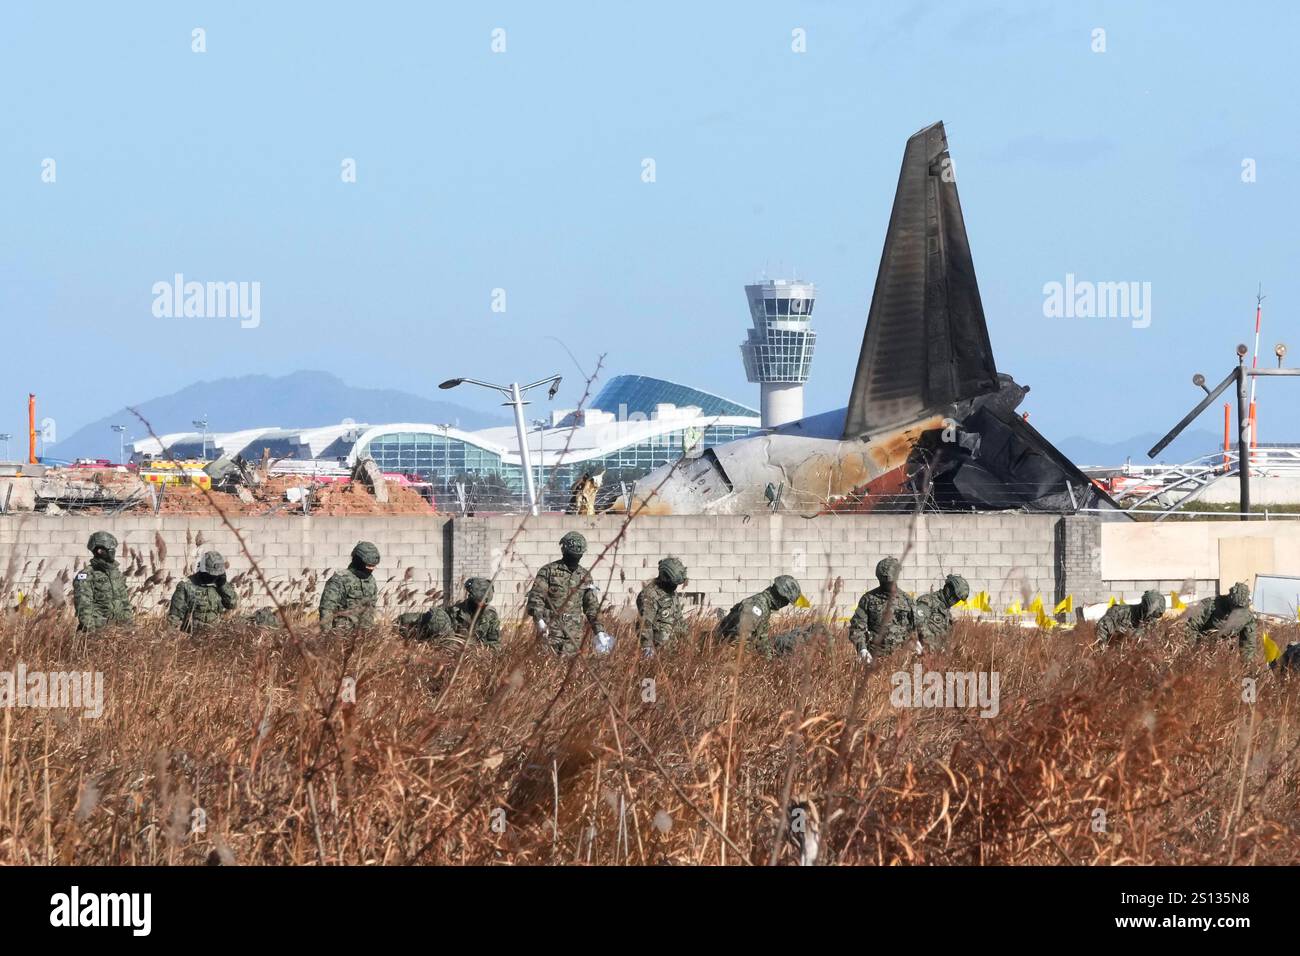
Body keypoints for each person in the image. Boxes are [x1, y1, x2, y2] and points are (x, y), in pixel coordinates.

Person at [527, 532, 607, 655]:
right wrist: (539, 621)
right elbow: (536, 597)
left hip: (573, 635)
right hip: (550, 632)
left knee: (570, 671)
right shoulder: (548, 571)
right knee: (547, 668)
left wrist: (600, 631)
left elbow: (592, 606)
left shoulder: (584, 576)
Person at [847, 557, 915, 662]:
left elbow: (920, 627)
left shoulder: (907, 601)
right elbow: (857, 627)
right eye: (883, 582)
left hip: (901, 660)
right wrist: (862, 649)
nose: (886, 585)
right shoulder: (868, 599)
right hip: (874, 660)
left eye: (889, 582)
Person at [718, 575, 803, 659]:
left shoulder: (765, 607)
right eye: (786, 601)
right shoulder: (756, 606)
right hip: (728, 656)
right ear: (780, 596)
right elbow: (738, 640)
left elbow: (762, 640)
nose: (785, 604)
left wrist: (768, 660)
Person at [72, 531, 133, 632]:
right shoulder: (86, 575)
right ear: (99, 551)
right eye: (110, 549)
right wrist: (92, 633)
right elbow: (84, 609)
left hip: (120, 632)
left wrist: (129, 625)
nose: (113, 551)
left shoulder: (115, 573)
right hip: (99, 632)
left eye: (113, 549)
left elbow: (125, 602)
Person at [167, 550, 238, 632]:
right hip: (191, 638)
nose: (213, 578)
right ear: (202, 570)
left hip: (215, 636)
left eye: (216, 575)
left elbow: (232, 604)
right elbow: (174, 617)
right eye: (211, 575)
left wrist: (223, 585)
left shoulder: (220, 584)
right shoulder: (186, 586)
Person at [1184, 582, 1258, 658]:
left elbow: (1248, 645)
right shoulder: (1210, 605)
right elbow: (1191, 627)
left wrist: (1247, 666)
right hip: (1204, 650)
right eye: (1235, 608)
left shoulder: (1247, 616)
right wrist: (1192, 651)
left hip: (1225, 654)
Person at [320, 541, 381, 631]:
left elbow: (371, 609)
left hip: (366, 637)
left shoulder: (371, 580)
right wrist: (327, 637)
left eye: (373, 566)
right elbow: (326, 609)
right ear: (358, 561)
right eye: (369, 566)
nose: (371, 569)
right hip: (342, 638)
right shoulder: (340, 579)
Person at [637, 557, 688, 657]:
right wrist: (647, 648)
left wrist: (689, 642)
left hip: (674, 650)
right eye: (674, 584)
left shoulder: (671, 593)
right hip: (658, 654)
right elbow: (644, 624)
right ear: (665, 578)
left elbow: (679, 619)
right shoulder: (649, 595)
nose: (675, 587)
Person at [913, 573, 969, 652]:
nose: (954, 601)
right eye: (954, 596)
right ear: (948, 588)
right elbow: (917, 624)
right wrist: (929, 645)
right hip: (922, 655)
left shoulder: (947, 614)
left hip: (936, 658)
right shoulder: (927, 601)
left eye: (957, 599)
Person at [1094, 589, 1165, 645]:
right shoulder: (1119, 612)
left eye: (1155, 615)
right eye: (1152, 614)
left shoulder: (1153, 623)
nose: (1152, 618)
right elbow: (1102, 628)